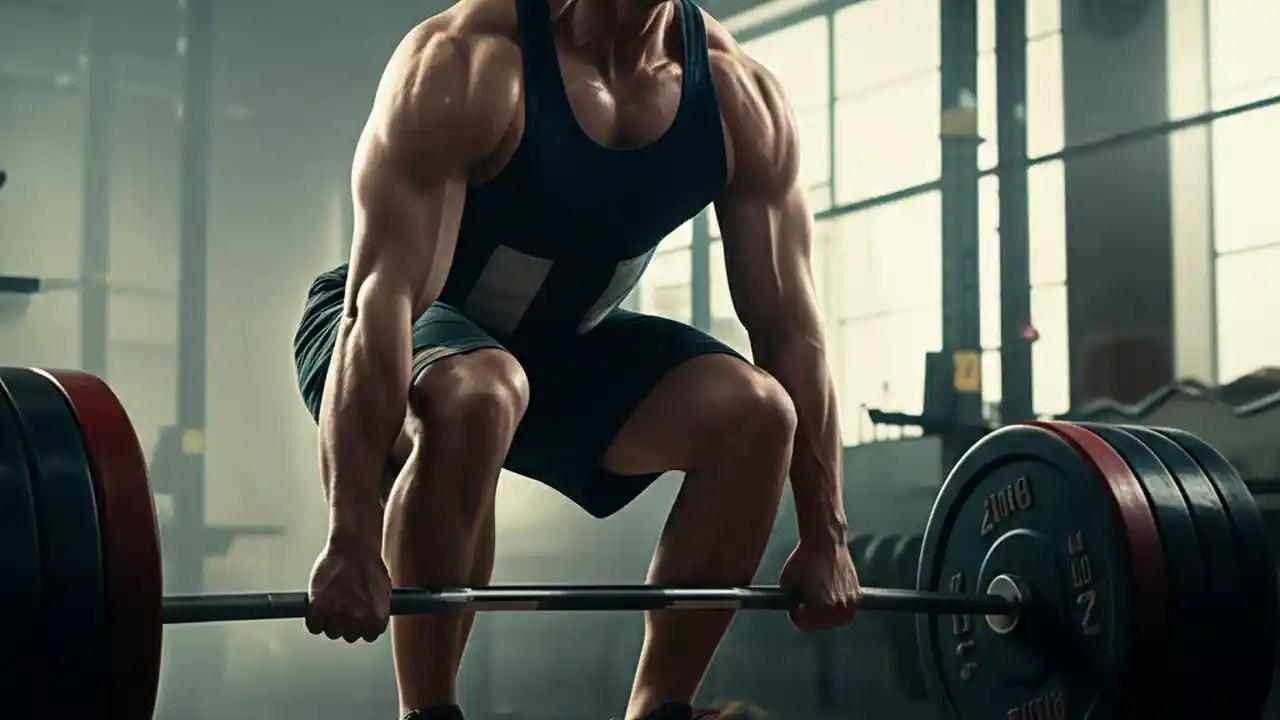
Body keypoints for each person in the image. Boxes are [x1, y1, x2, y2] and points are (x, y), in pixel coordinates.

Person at [290, 0, 860, 717]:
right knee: (482, 390)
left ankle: (659, 709)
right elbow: (381, 304)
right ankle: (428, 710)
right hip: (389, 335)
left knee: (758, 414)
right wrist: (351, 534)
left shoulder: (736, 97)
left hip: (560, 349)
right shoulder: (469, 58)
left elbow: (791, 336)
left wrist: (825, 535)